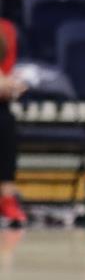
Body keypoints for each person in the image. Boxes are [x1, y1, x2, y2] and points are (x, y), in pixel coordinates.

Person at [0, 17, 29, 227]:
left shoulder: (6, 29)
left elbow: (5, 72)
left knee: (5, 119)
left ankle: (6, 195)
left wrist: (11, 86)